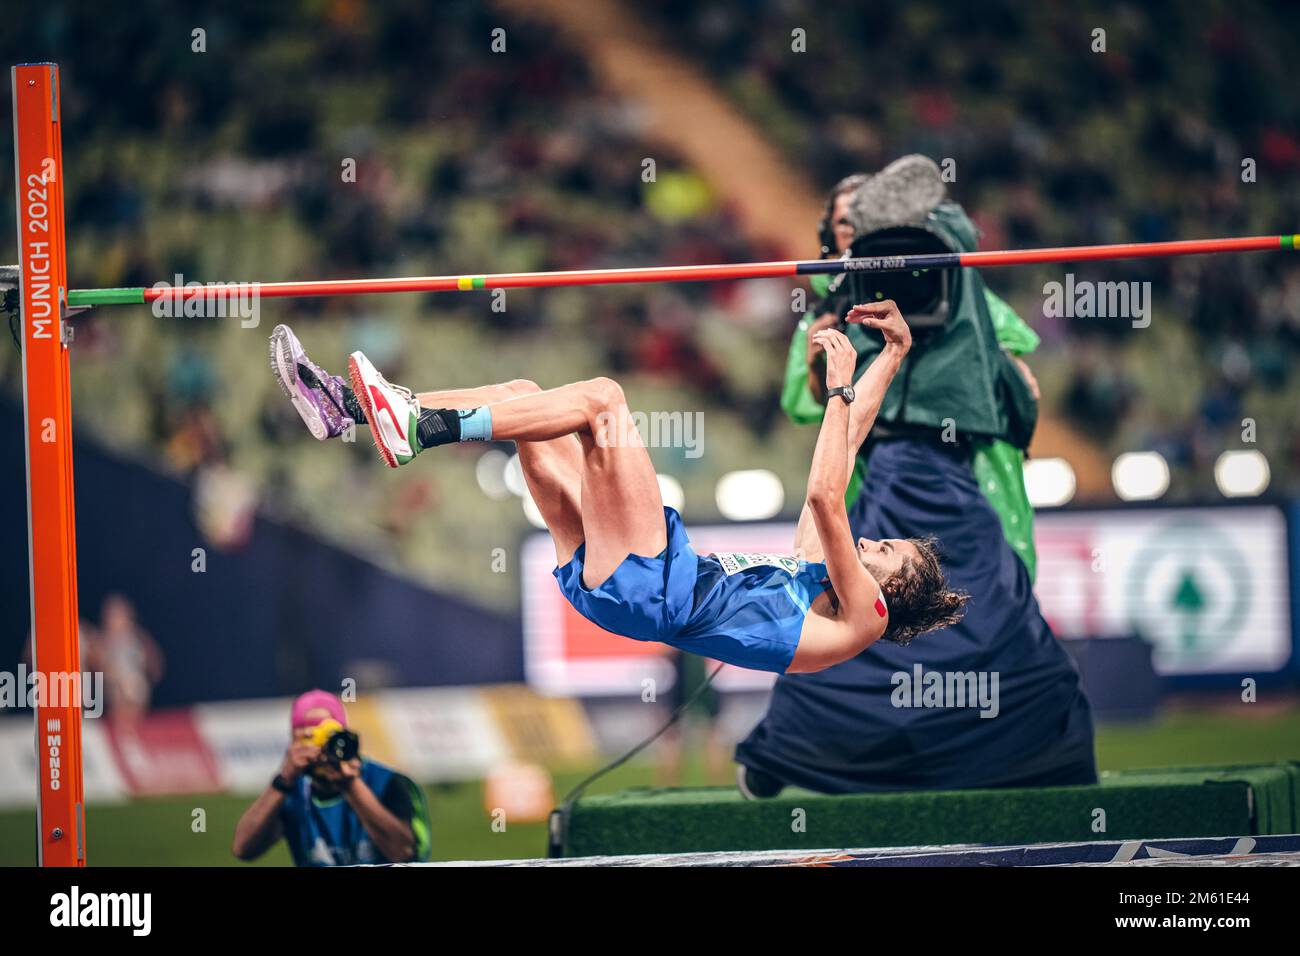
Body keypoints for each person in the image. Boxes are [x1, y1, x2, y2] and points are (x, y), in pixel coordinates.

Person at [268, 305, 965, 677]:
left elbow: (824, 494)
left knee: (604, 399)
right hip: (633, 588)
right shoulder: (814, 579)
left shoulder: (861, 620)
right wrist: (894, 358)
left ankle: (417, 427)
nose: (869, 542)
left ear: (891, 594)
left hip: (656, 588)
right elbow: (845, 446)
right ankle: (349, 410)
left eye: (883, 552)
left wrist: (840, 383)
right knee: (524, 400)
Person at [736, 156, 1096, 797]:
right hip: (879, 481)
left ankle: (1051, 762)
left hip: (957, 479)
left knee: (1003, 613)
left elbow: (1019, 380)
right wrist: (830, 350)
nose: (855, 232)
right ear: (832, 238)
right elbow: (802, 402)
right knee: (846, 619)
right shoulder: (826, 310)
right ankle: (784, 755)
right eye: (847, 222)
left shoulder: (960, 288)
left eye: (870, 218)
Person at [232, 690, 431, 866]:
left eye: (327, 741)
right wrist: (283, 780)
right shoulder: (292, 793)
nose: (321, 754)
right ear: (293, 743)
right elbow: (243, 849)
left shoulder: (386, 782)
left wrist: (351, 786)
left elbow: (404, 854)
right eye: (307, 740)